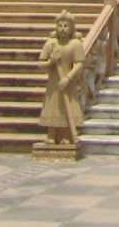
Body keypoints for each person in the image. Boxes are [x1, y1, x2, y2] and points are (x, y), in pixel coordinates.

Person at [39, 10, 87, 144]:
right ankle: (51, 135)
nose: (62, 29)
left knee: (67, 107)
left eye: (66, 26)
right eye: (60, 25)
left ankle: (67, 135)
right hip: (54, 81)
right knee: (53, 106)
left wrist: (68, 78)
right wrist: (51, 61)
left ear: (72, 28)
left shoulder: (76, 44)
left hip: (68, 81)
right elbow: (40, 64)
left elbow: (79, 63)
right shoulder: (51, 44)